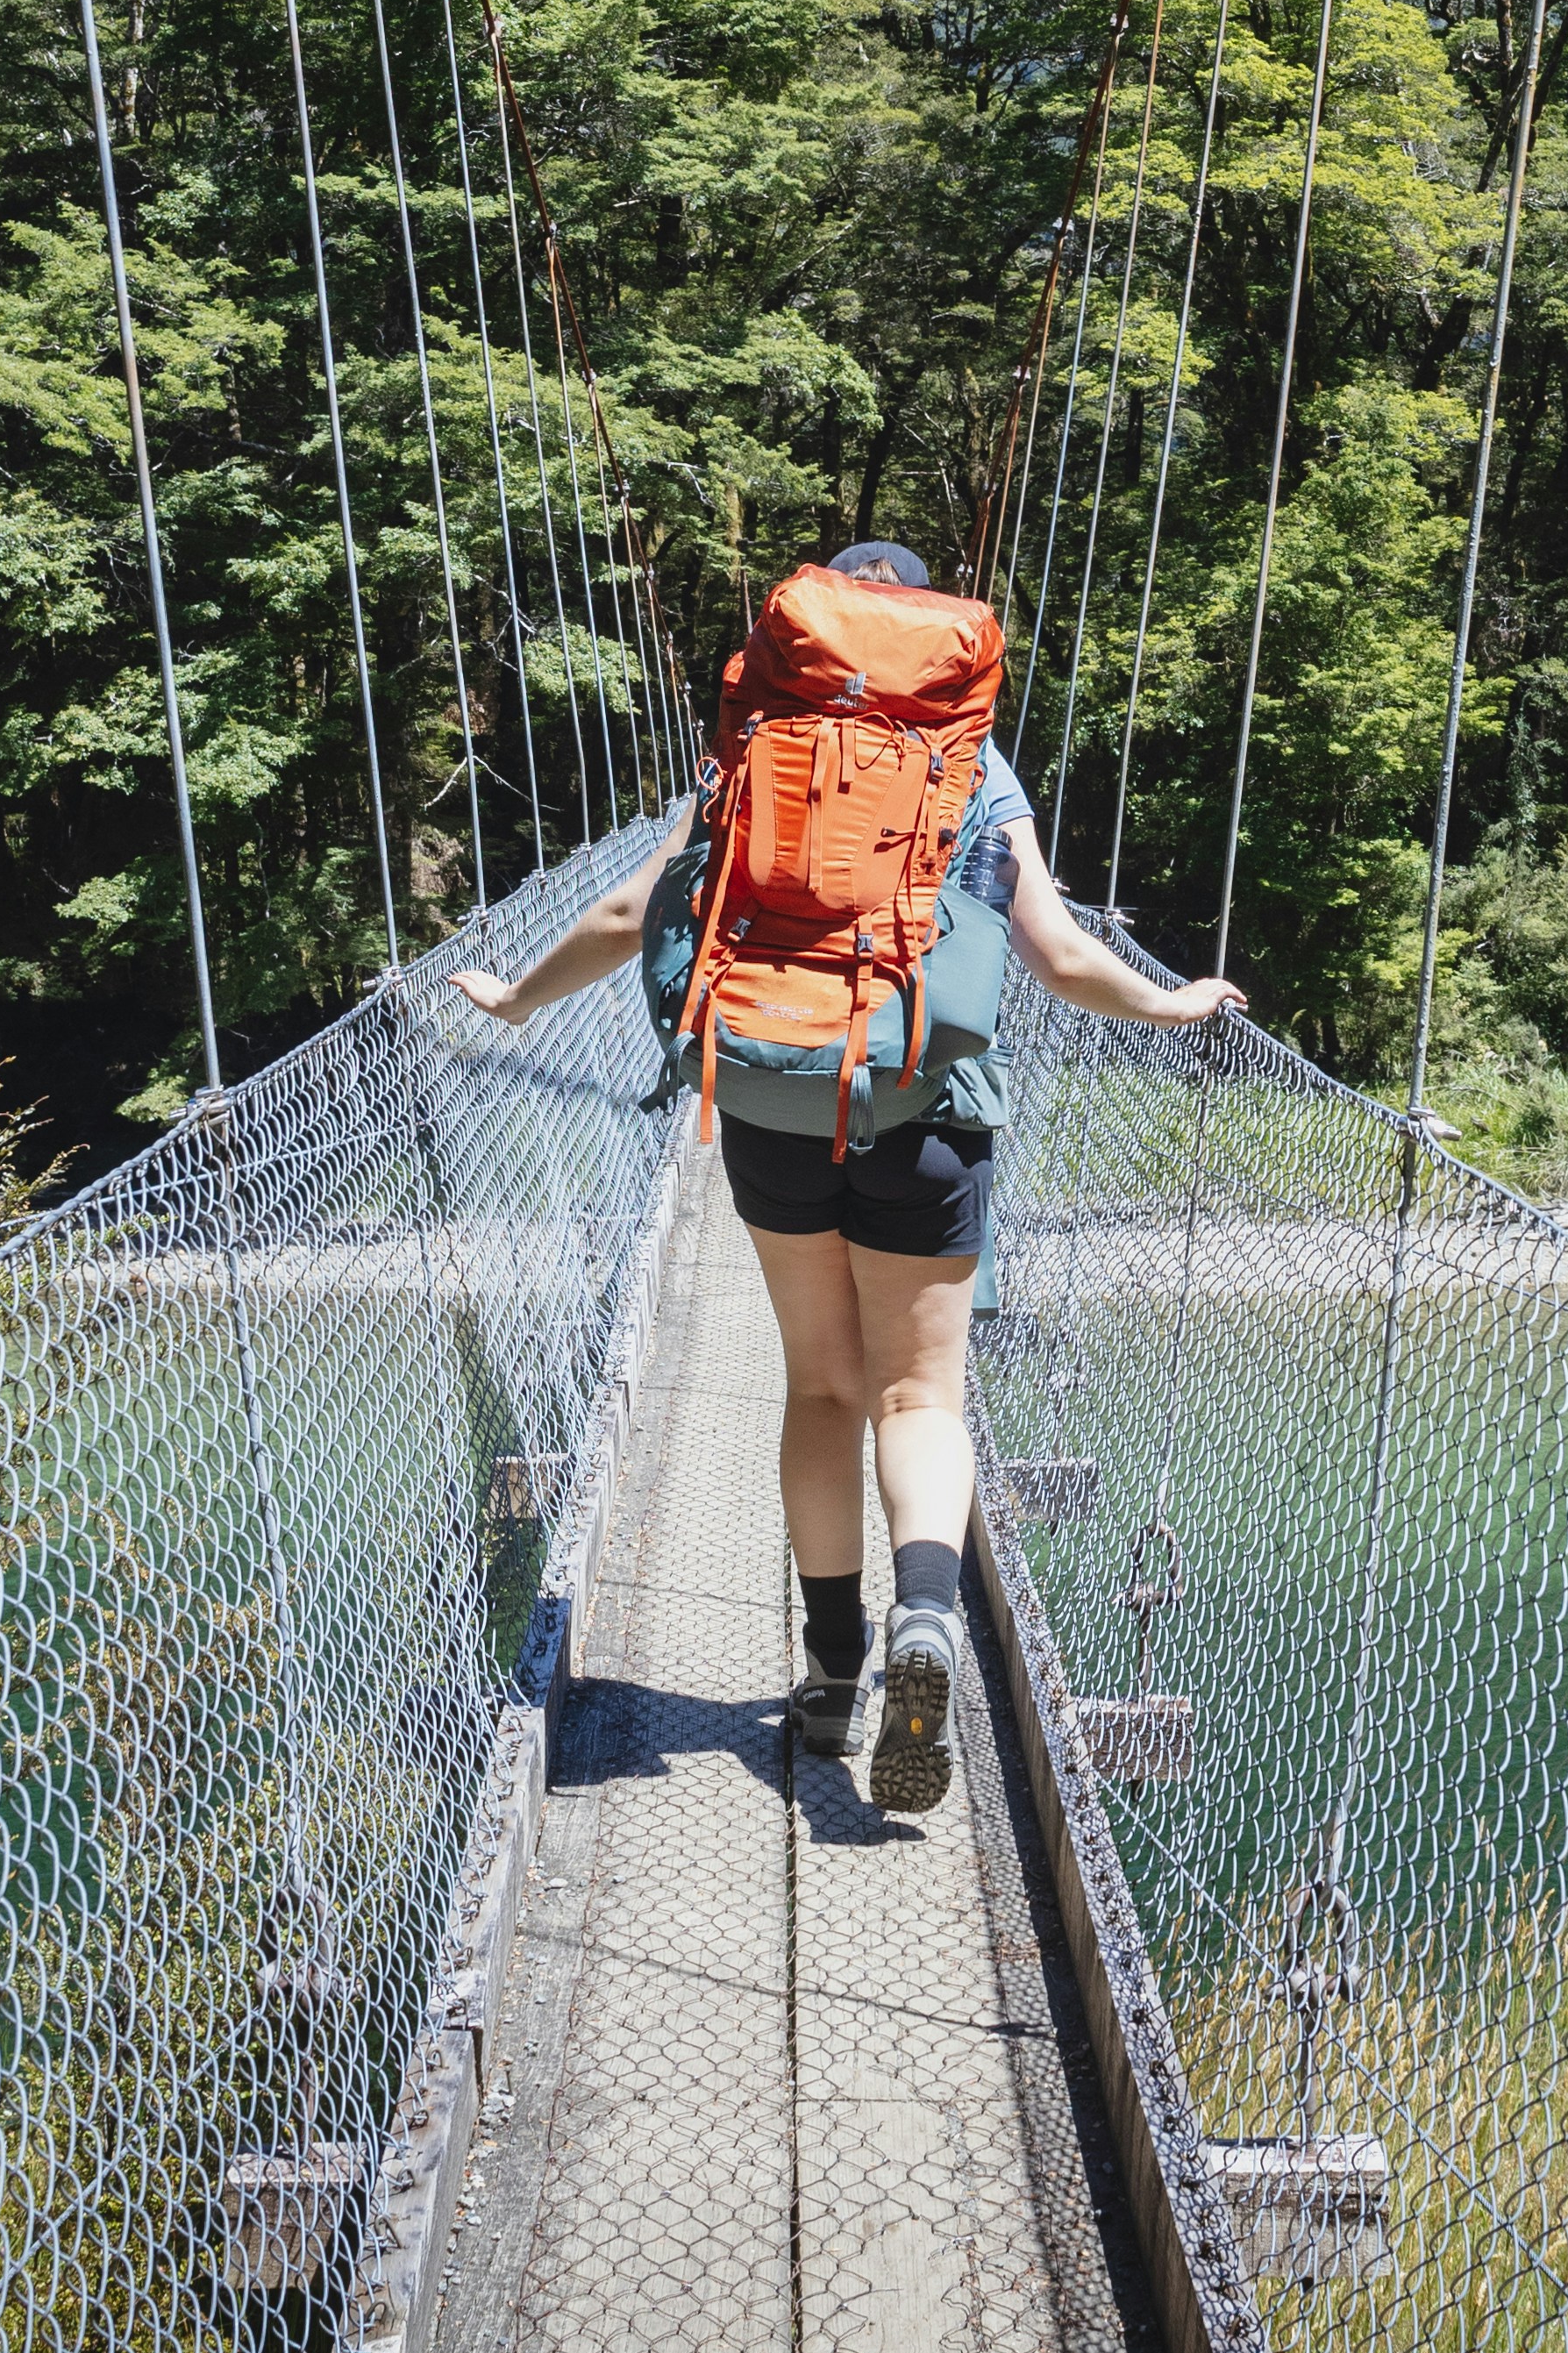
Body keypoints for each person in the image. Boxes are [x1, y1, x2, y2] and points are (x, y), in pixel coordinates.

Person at [452, 541, 1239, 1817]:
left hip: (771, 1097)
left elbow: (624, 913)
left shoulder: (758, 740)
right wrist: (1164, 1001)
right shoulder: (967, 756)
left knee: (819, 1381)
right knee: (919, 1393)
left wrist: (515, 994)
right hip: (929, 1106)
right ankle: (927, 1616)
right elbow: (1048, 945)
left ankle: (830, 1671)